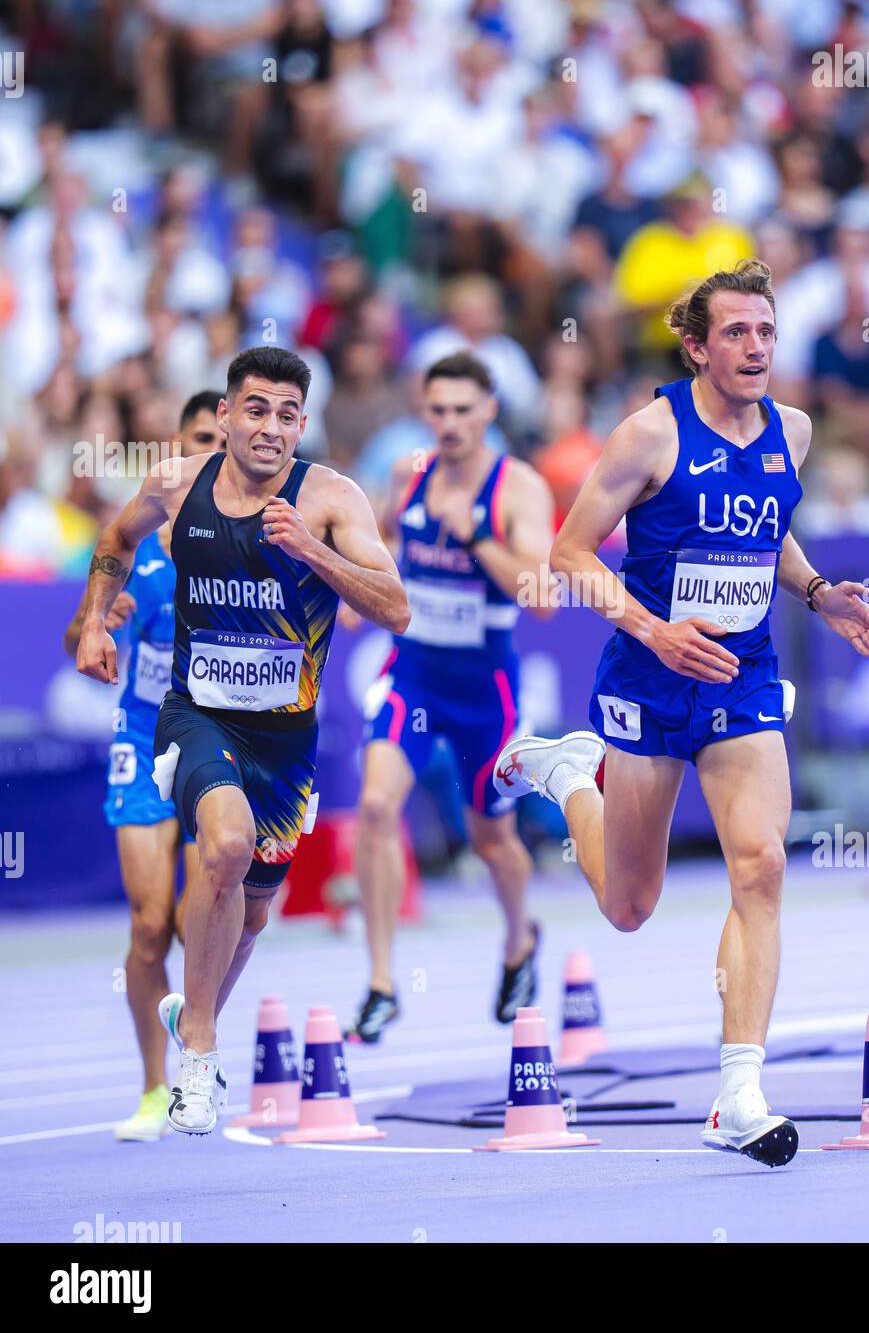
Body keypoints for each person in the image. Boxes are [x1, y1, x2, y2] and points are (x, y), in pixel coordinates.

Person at [493, 261, 869, 1166]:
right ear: (697, 345)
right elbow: (571, 552)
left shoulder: (793, 427)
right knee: (629, 904)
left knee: (761, 862)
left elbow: (764, 527)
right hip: (650, 677)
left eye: (766, 332)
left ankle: (738, 1093)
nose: (754, 348)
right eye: (736, 334)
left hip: (742, 677)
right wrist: (653, 629)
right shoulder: (647, 434)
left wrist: (818, 589)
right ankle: (565, 775)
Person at [74, 347, 409, 1135]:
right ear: (224, 416)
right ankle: (197, 1059)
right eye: (255, 409)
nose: (271, 428)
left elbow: (396, 608)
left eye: (288, 414)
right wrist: (94, 619)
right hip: (196, 717)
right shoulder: (176, 483)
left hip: (286, 743)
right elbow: (115, 542)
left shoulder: (330, 498)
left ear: (303, 425)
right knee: (222, 847)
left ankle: (191, 1022)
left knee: (256, 918)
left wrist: (312, 551)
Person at [348, 352, 556, 1044]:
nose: (448, 423)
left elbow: (543, 596)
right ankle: (380, 982)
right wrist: (357, 587)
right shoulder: (409, 473)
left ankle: (520, 938)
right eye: (437, 410)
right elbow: (378, 539)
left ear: (489, 411)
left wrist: (473, 534)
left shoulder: (517, 488)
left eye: (463, 410)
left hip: (484, 687)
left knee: (491, 839)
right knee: (376, 807)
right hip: (413, 673)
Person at [63, 391, 224, 1140]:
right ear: (175, 443)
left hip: (215, 735)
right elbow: (76, 637)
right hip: (141, 734)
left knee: (206, 923)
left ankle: (199, 1060)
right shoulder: (141, 532)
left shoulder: (247, 532)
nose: (208, 454)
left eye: (218, 442)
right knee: (149, 923)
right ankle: (155, 1088)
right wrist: (99, 621)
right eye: (197, 439)